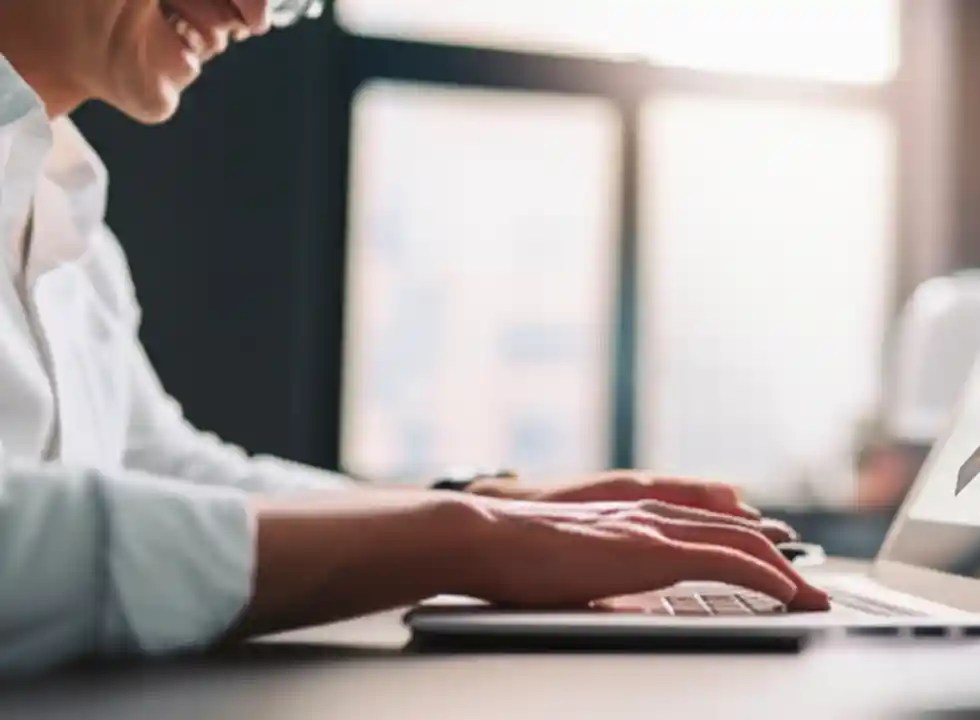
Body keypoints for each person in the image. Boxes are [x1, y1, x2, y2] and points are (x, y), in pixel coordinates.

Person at [0, 0, 829, 675]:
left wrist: (463, 505)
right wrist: (451, 543)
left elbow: (162, 469)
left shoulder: (71, 222)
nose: (252, 13)